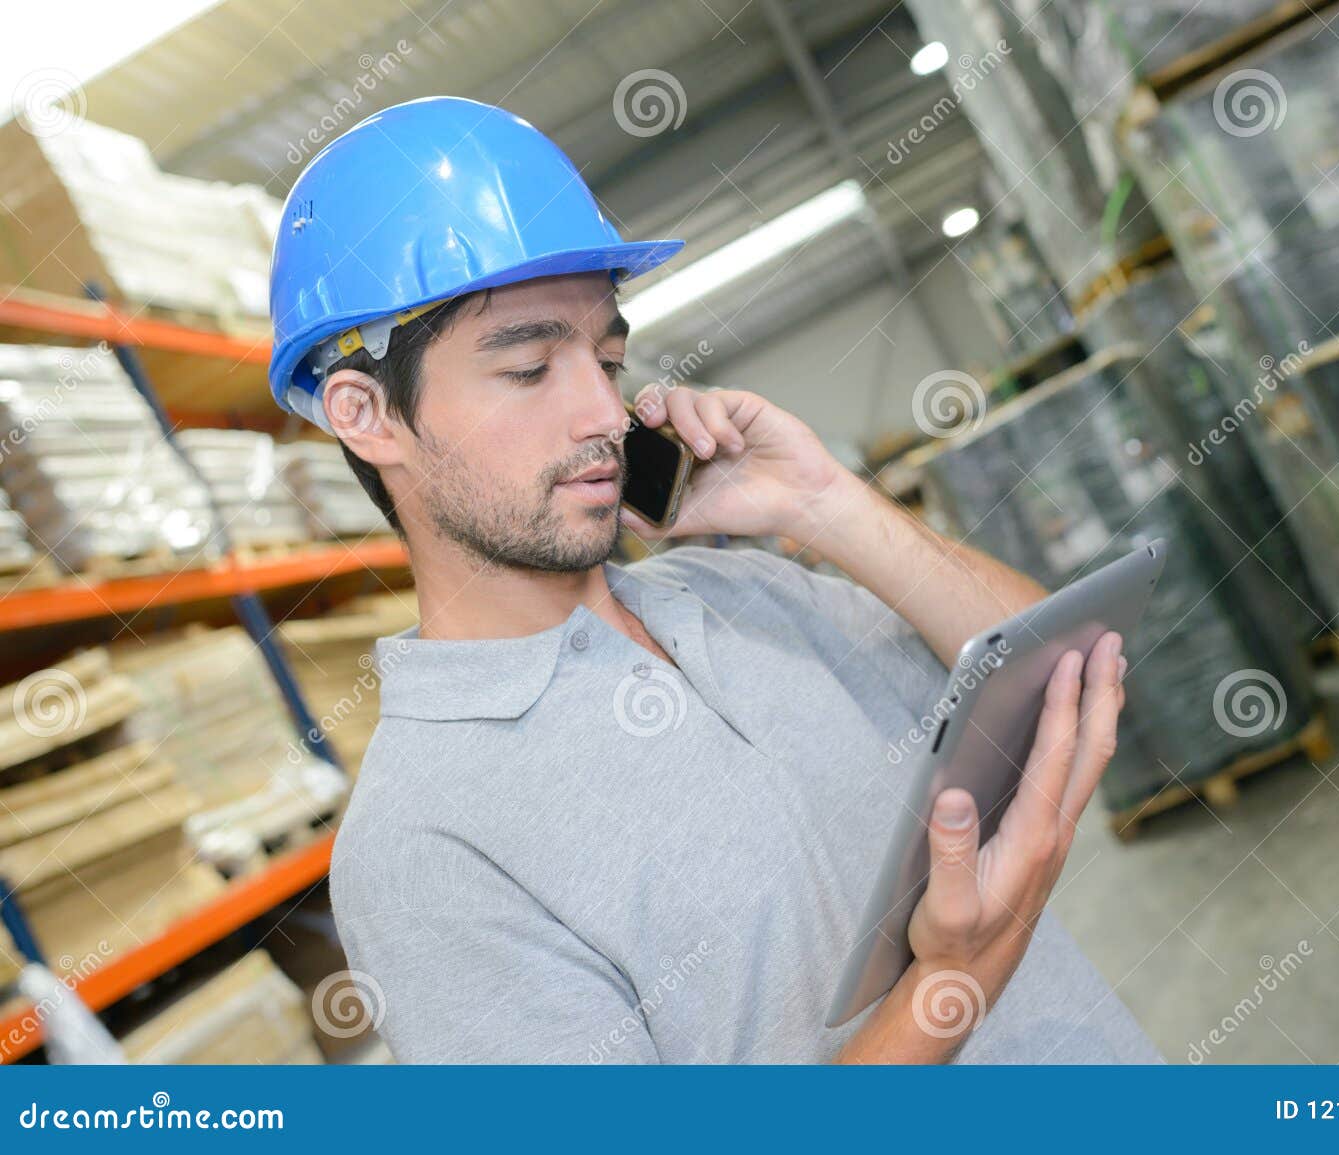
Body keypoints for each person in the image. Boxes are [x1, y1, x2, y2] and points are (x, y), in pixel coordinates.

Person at [267, 96, 1158, 1064]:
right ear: (365, 415)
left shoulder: (749, 598)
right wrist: (951, 982)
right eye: (529, 368)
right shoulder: (423, 848)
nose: (602, 412)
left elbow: (1075, 666)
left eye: (607, 357)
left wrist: (823, 504)